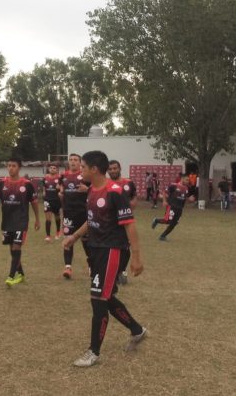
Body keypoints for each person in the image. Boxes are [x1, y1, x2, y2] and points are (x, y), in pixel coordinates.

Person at [63, 150, 146, 368]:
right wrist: (74, 236)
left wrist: (136, 257)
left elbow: (130, 224)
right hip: (96, 249)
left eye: (82, 167)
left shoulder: (115, 192)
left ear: (94, 169)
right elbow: (92, 220)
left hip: (113, 251)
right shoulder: (91, 191)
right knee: (106, 297)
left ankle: (93, 352)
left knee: (98, 299)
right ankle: (137, 330)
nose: (79, 170)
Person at [0, 157, 40, 287]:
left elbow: (34, 203)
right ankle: (20, 274)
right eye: (9, 165)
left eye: (13, 166)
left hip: (21, 221)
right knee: (12, 248)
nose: (10, 168)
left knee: (16, 247)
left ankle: (11, 276)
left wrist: (37, 219)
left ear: (19, 168)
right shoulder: (2, 184)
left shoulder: (27, 184)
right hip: (7, 221)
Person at [59, 153, 90, 279]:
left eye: (75, 160)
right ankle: (68, 268)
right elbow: (61, 193)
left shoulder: (85, 175)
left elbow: (96, 190)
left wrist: (87, 189)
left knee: (86, 241)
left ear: (80, 162)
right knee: (67, 240)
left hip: (83, 214)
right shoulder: (63, 176)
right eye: (71, 160)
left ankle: (91, 266)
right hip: (68, 215)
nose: (73, 162)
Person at [107, 160, 138, 285]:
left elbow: (134, 195)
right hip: (110, 222)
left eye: (115, 168)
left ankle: (122, 271)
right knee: (111, 247)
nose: (113, 171)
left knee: (125, 247)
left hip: (125, 220)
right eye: (110, 169)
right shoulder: (106, 184)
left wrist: (133, 203)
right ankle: (112, 272)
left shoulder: (128, 183)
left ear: (120, 169)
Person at [151, 174, 189, 241]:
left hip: (179, 209)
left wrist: (189, 200)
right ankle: (156, 220)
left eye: (188, 180)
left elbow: (183, 198)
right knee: (168, 221)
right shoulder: (173, 185)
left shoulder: (186, 188)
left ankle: (162, 236)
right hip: (172, 206)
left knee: (174, 223)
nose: (188, 181)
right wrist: (164, 201)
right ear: (182, 179)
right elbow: (164, 192)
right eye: (186, 180)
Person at [41, 164, 63, 242]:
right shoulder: (45, 177)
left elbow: (62, 188)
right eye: (51, 168)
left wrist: (59, 188)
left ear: (57, 170)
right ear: (48, 169)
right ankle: (48, 236)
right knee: (48, 218)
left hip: (56, 200)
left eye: (54, 168)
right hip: (47, 200)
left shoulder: (60, 178)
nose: (52, 169)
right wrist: (43, 192)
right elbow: (44, 187)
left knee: (57, 216)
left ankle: (57, 232)